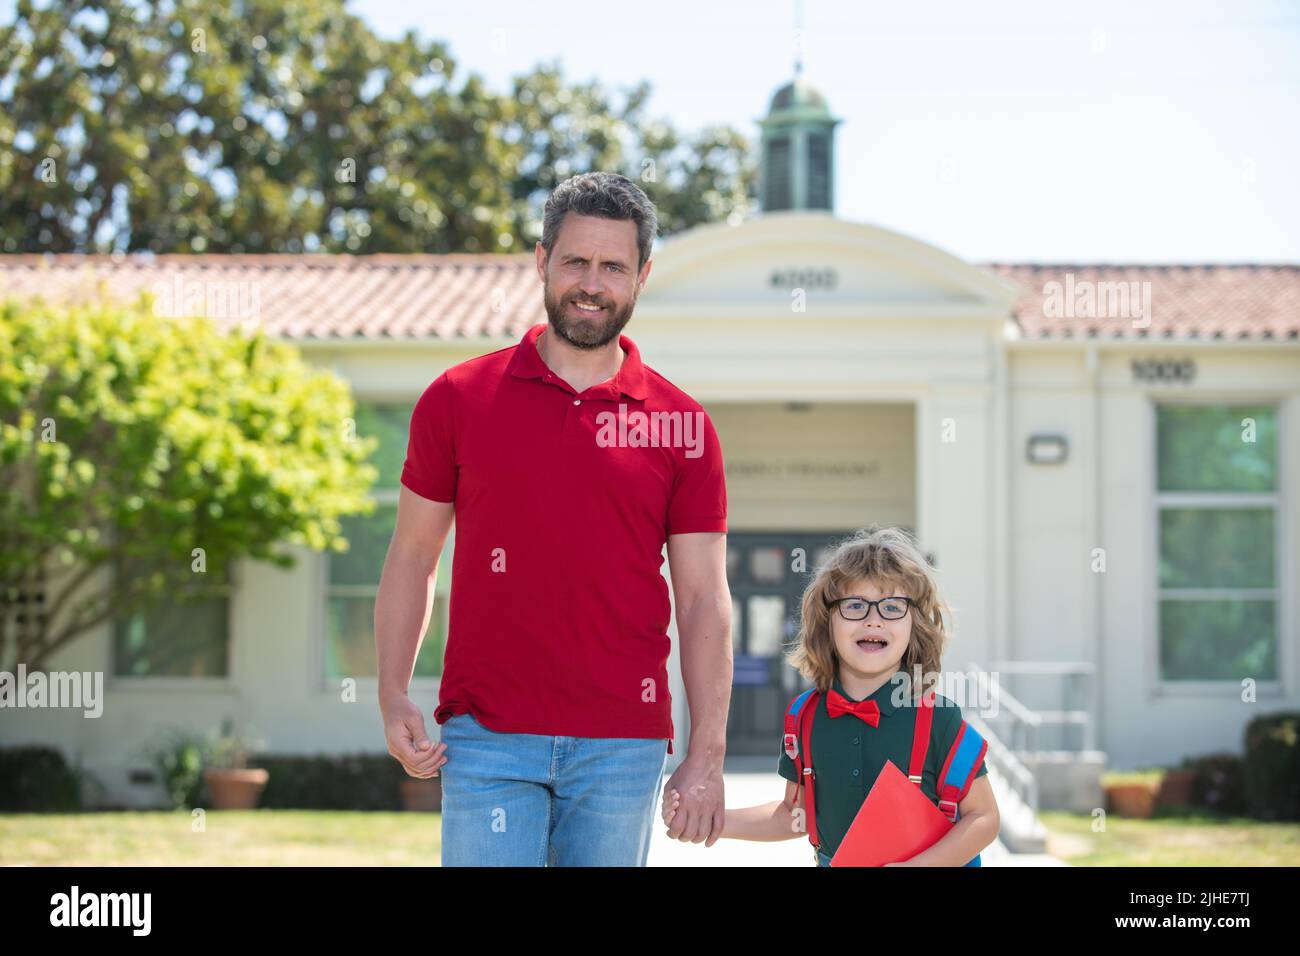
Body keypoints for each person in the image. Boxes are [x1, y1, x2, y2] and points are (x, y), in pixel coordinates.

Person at [376, 171, 732, 866]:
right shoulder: (458, 398)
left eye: (613, 267)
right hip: (485, 736)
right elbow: (413, 556)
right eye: (575, 261)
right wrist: (392, 692)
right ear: (542, 261)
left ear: (642, 275)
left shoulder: (682, 425)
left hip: (621, 744)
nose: (591, 284)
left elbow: (702, 598)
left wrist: (707, 753)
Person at [663, 526, 999, 866]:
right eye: (855, 605)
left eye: (892, 606)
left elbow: (984, 817)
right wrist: (709, 820)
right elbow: (794, 816)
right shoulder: (805, 717)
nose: (873, 620)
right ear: (827, 622)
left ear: (915, 625)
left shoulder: (939, 719)